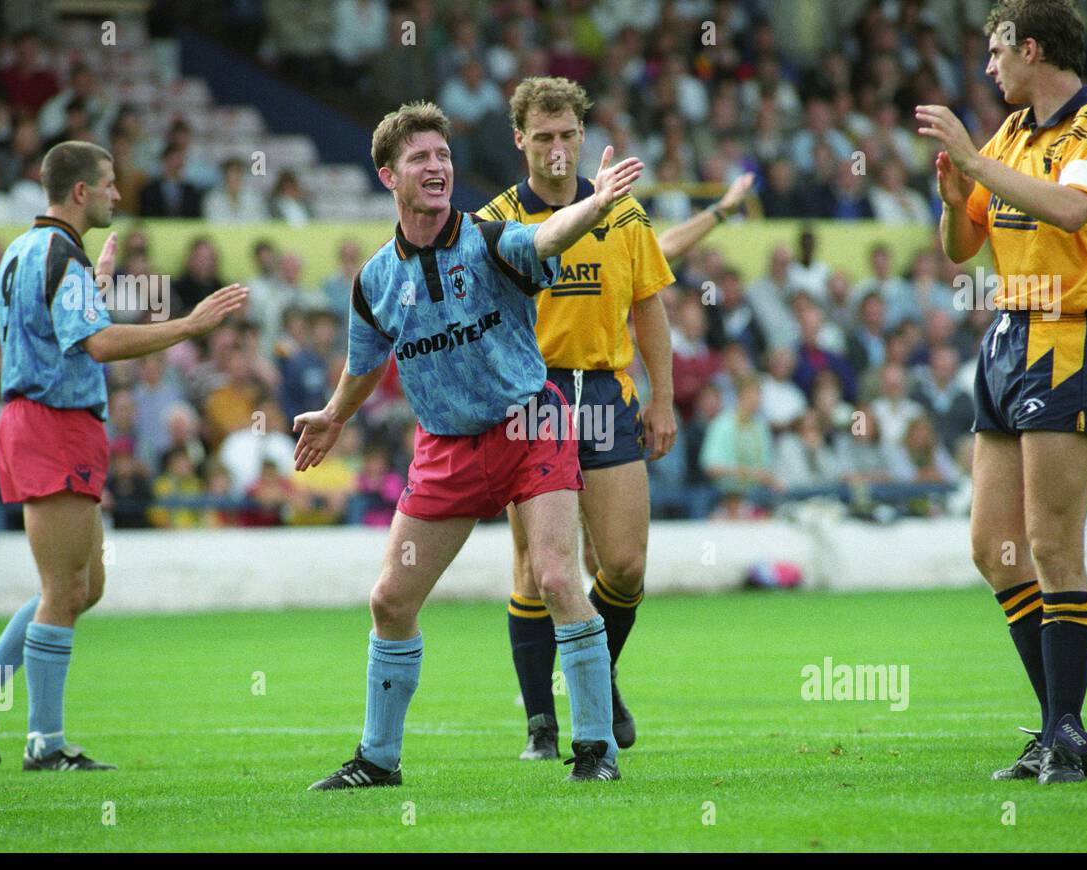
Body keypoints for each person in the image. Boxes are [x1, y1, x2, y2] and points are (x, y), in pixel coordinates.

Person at [293, 101, 643, 787]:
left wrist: (597, 205)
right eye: (421, 158)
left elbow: (546, 240)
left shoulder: (489, 238)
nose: (437, 167)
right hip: (446, 448)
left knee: (554, 576)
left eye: (443, 156)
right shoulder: (372, 282)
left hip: (529, 425)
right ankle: (378, 759)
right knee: (390, 599)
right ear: (388, 175)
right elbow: (365, 365)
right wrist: (335, 415)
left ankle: (595, 749)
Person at [0, 141, 247, 771]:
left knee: (85, 585)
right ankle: (45, 745)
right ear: (81, 191)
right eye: (108, 184)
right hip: (52, 422)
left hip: (56, 424)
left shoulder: (30, 250)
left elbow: (57, 327)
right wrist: (187, 326)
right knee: (63, 588)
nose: (116, 193)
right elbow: (98, 344)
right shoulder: (58, 254)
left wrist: (96, 281)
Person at [478, 76, 753, 761]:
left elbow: (650, 304)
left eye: (568, 134)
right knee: (538, 566)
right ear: (520, 141)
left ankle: (596, 673)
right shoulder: (498, 220)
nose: (557, 148)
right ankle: (543, 721)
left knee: (624, 564)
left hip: (602, 394)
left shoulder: (624, 216)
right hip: (531, 398)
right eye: (542, 136)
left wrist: (661, 399)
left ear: (582, 136)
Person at [917, 0, 1087, 784]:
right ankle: (1060, 729)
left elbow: (1076, 208)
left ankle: (1064, 731)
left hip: (1067, 336)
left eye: (996, 52)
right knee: (993, 546)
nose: (988, 67)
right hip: (1007, 337)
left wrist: (974, 165)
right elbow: (962, 247)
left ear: (1031, 48)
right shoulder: (1011, 136)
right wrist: (952, 197)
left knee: (1050, 545)